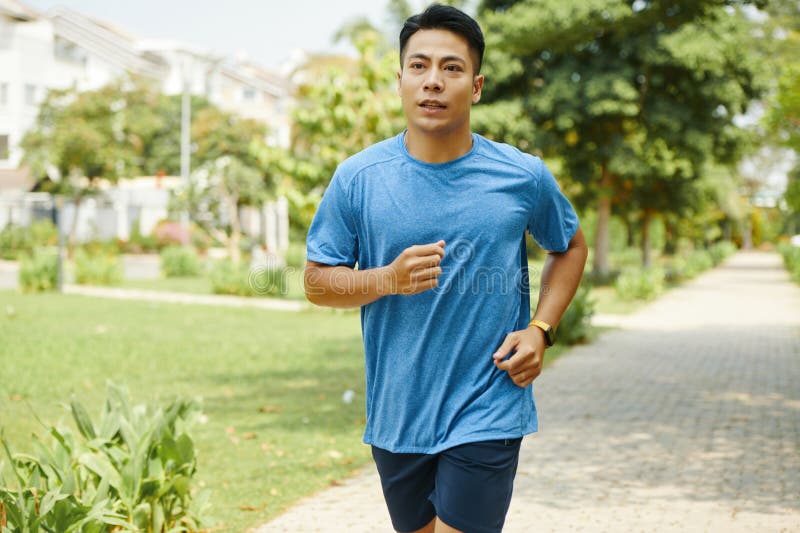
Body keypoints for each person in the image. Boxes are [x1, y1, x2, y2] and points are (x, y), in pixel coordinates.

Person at [304, 4, 588, 532]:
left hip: (490, 401)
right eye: (419, 66)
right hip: (397, 413)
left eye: (451, 68)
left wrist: (540, 329)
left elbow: (569, 245)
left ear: (475, 86)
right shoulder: (358, 178)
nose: (433, 81)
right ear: (400, 81)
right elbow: (317, 282)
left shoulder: (520, 175)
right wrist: (385, 278)